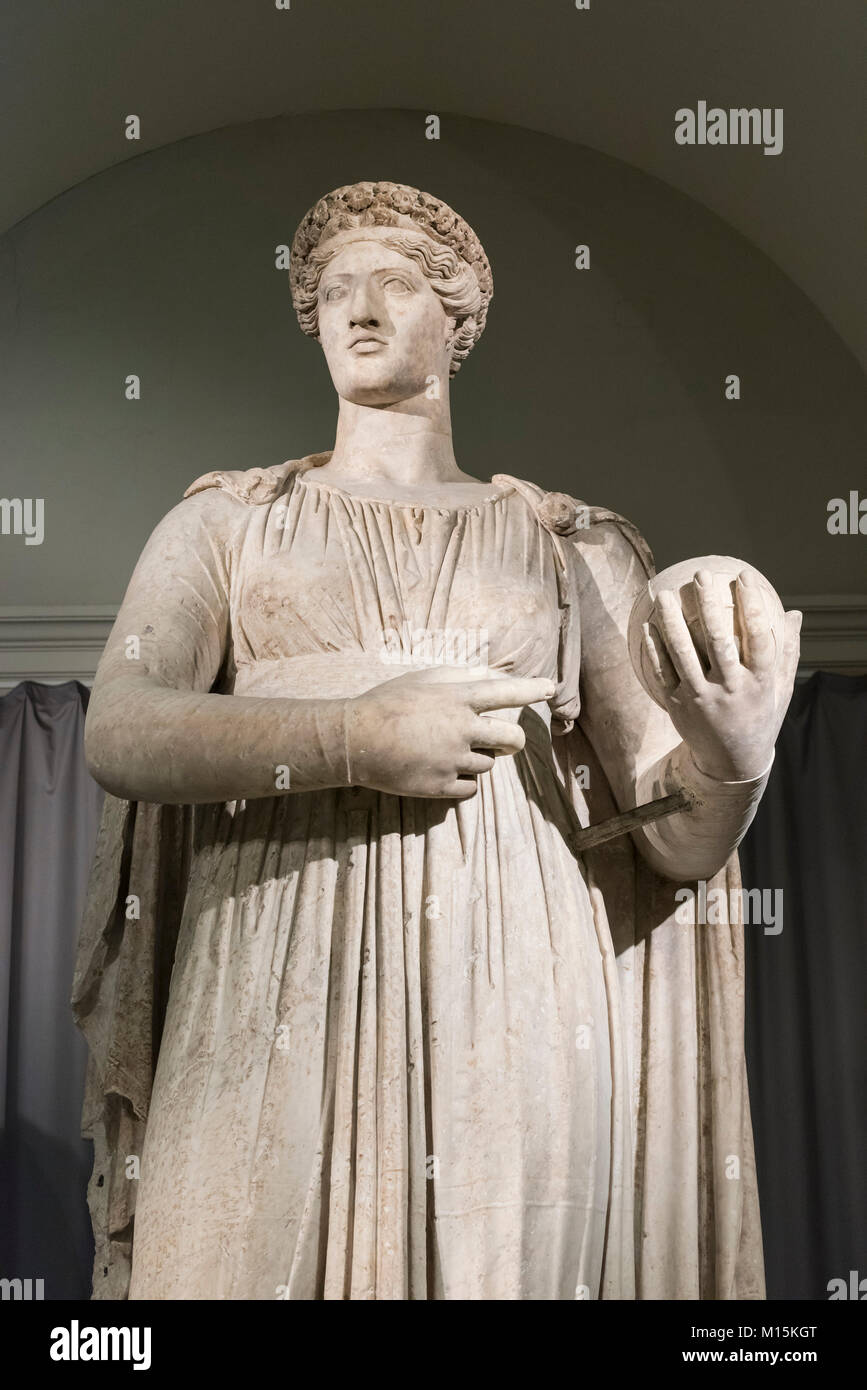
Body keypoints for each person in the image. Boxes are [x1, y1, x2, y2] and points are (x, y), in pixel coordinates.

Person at [73, 181, 799, 1300]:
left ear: (456, 321)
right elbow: (121, 728)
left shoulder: (571, 549)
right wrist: (356, 734)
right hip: (273, 964)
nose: (357, 310)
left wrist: (734, 755)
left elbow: (675, 838)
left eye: (395, 285)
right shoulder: (224, 522)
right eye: (331, 293)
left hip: (513, 990)